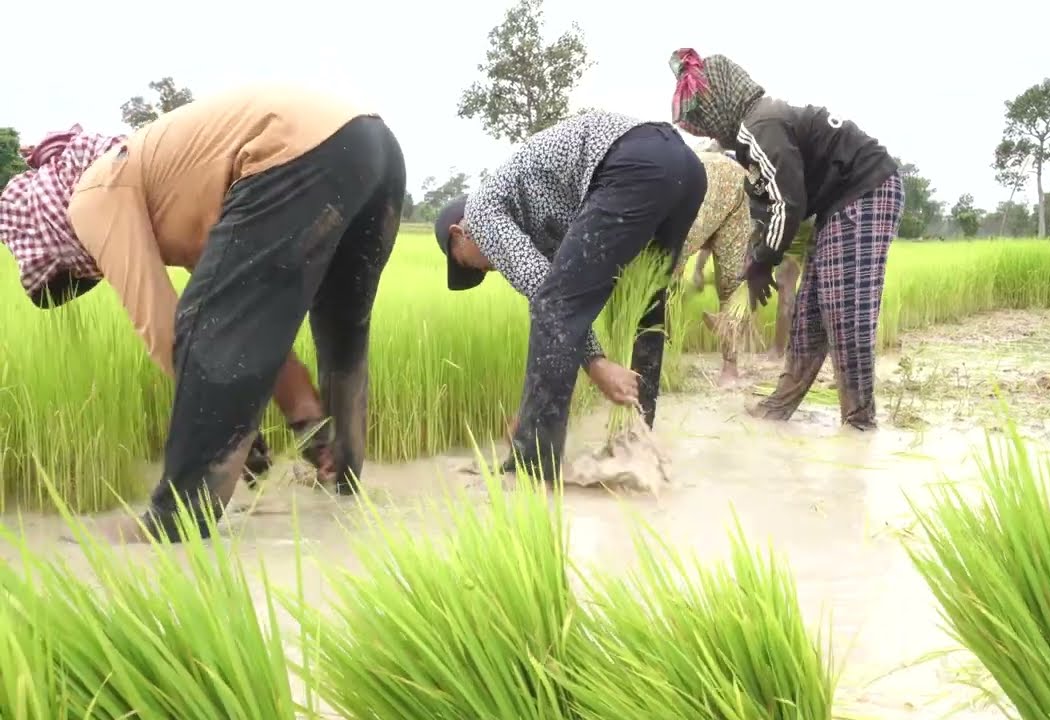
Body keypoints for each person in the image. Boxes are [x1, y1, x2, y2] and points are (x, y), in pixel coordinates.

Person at [0, 86, 406, 542]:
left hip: (297, 149)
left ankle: (176, 518)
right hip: (373, 147)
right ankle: (341, 475)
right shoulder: (175, 186)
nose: (83, 272)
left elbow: (164, 323)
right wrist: (303, 414)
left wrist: (229, 425)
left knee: (202, 327)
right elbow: (252, 317)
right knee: (341, 330)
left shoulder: (91, 195)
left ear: (47, 228)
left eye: (69, 270)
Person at [435, 110, 707, 481]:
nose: (484, 270)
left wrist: (596, 366)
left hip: (632, 162)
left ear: (459, 233)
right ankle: (637, 447)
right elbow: (573, 302)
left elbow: (550, 300)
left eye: (467, 264)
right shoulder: (534, 219)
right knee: (645, 303)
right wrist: (532, 409)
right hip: (685, 168)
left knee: (553, 305)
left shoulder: (481, 212)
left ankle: (531, 472)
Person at [668, 48, 905, 430]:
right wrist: (755, 258)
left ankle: (859, 423)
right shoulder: (750, 137)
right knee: (810, 312)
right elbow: (765, 205)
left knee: (844, 308)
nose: (709, 132)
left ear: (722, 103)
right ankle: (779, 408)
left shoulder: (761, 124)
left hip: (865, 188)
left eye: (706, 123)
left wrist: (764, 263)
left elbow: (789, 203)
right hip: (836, 204)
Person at [677, 150, 798, 386]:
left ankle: (734, 365)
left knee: (736, 284)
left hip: (752, 210)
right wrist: (699, 270)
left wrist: (760, 261)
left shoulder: (767, 187)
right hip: (710, 199)